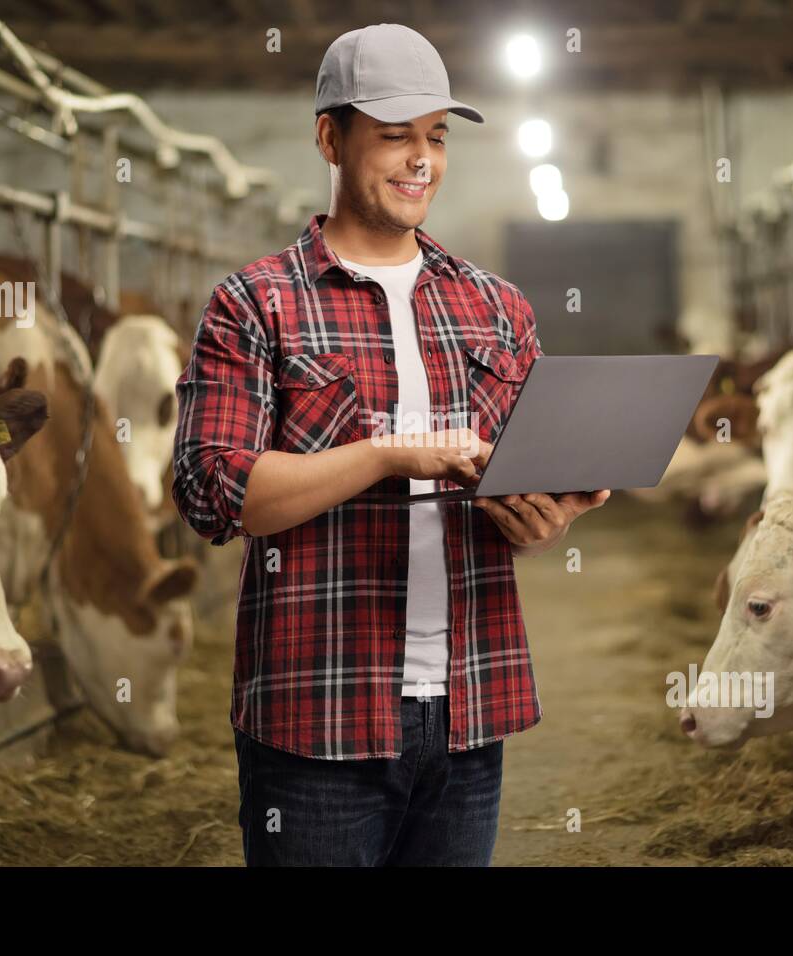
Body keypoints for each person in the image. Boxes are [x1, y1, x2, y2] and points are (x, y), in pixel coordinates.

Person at [173, 23, 609, 867]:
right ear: (330, 137)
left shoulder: (495, 306)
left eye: (437, 136)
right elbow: (215, 493)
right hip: (318, 718)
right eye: (396, 136)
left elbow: (541, 462)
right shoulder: (256, 304)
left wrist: (554, 513)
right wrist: (388, 456)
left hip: (472, 708)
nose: (423, 161)